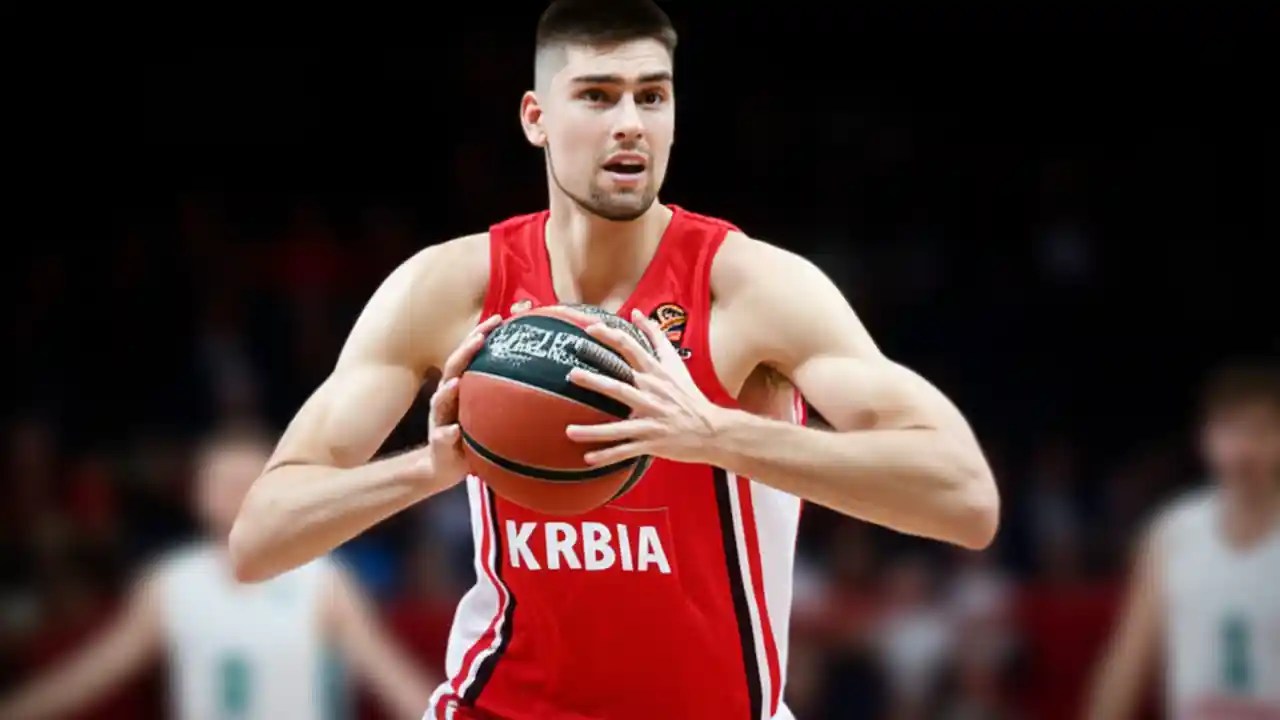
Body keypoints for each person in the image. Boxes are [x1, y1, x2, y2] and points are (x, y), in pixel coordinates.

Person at [227, 2, 1000, 718]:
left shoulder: (749, 289)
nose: (629, 123)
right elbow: (259, 539)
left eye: (651, 97)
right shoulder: (452, 287)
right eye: (597, 96)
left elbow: (964, 498)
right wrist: (426, 470)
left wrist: (715, 435)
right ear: (536, 118)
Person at [0, 427, 435, 720]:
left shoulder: (323, 580)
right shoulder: (170, 583)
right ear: (198, 495)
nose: (235, 494)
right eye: (222, 482)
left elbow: (391, 677)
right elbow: (93, 673)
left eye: (248, 480)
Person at [1086, 359, 1280, 719]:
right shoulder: (1173, 533)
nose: (1244, 450)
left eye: (1260, 431)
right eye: (1232, 431)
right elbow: (1129, 658)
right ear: (1207, 439)